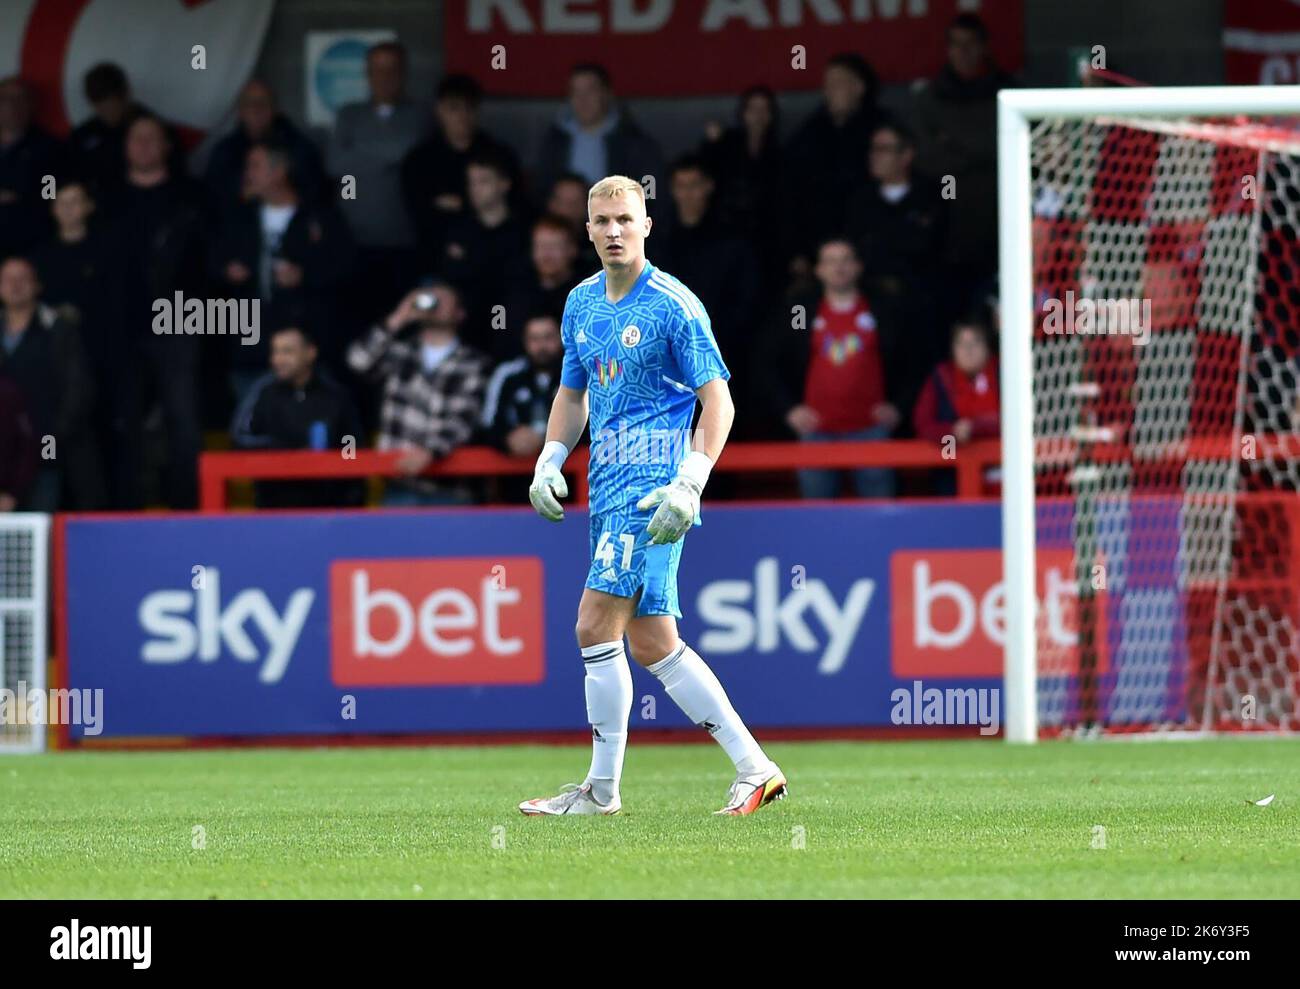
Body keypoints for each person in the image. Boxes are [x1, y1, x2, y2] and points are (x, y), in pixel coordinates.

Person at [519, 175, 786, 817]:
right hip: (604, 487)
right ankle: (756, 769)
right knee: (651, 640)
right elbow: (572, 394)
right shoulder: (580, 304)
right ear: (587, 228)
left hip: (653, 492)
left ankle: (602, 792)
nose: (613, 231)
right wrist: (550, 458)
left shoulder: (675, 305)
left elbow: (717, 399)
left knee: (591, 623)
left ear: (647, 225)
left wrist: (690, 481)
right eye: (602, 221)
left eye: (625, 220)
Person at [210, 140, 356, 402]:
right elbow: (211, 262)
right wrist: (226, 270)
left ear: (279, 172)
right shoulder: (239, 217)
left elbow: (347, 267)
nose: (248, 173)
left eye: (255, 166)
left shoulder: (319, 216)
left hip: (308, 345)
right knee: (253, 428)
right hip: (251, 345)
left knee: (313, 428)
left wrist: (305, 275)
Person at [757, 239, 901, 499]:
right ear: (819, 270)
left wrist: (899, 405)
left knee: (880, 518)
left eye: (845, 259)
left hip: (871, 430)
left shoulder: (883, 309)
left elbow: (914, 360)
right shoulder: (800, 311)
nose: (839, 267)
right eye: (831, 261)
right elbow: (767, 363)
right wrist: (789, 409)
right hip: (816, 432)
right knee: (816, 521)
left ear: (858, 267)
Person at [346, 281, 489, 506]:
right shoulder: (400, 352)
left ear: (459, 314)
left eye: (443, 298)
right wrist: (400, 316)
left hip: (450, 487)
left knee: (457, 543)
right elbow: (358, 361)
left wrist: (430, 452)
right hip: (400, 483)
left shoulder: (473, 362)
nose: (435, 302)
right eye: (430, 297)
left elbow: (466, 418)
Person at [327, 41, 426, 322]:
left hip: (405, 240)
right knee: (355, 321)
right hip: (354, 240)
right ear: (367, 74)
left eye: (392, 69)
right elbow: (335, 163)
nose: (385, 77)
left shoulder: (421, 116)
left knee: (403, 320)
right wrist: (392, 155)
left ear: (404, 73)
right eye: (377, 70)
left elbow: (411, 153)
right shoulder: (349, 114)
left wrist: (360, 151)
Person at [0, 256, 102, 510]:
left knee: (42, 515)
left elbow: (78, 389)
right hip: (5, 452)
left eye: (23, 279)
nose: (15, 285)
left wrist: (54, 436)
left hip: (47, 442)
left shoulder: (57, 329)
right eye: (8, 279)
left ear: (37, 286)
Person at [230, 324, 365, 508]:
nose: (278, 359)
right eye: (275, 352)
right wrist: (288, 452)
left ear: (310, 353)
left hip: (328, 510)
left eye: (287, 351)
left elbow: (352, 445)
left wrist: (334, 466)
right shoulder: (263, 392)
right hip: (274, 510)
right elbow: (241, 438)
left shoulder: (335, 396)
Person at [402, 74, 523, 263]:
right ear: (439, 110)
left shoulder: (499, 154)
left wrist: (459, 204)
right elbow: (418, 212)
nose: (462, 116)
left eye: (469, 108)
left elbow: (515, 205)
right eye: (454, 108)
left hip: (498, 255)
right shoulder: (420, 160)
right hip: (436, 259)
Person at [533, 64, 663, 210]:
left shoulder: (636, 144)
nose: (583, 99)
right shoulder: (553, 142)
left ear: (607, 94)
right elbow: (540, 192)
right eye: (576, 92)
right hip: (563, 227)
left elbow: (651, 194)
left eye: (590, 91)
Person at [203, 80, 325, 209]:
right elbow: (210, 197)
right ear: (240, 111)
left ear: (275, 109)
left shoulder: (300, 148)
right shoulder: (224, 151)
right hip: (238, 224)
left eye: (263, 102)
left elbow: (317, 194)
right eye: (249, 103)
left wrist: (278, 192)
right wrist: (243, 193)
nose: (256, 109)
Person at [913, 318, 1001, 495]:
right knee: (948, 458)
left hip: (1004, 468)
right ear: (953, 350)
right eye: (961, 344)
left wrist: (975, 428)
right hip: (953, 462)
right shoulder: (942, 377)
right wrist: (952, 432)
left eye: (975, 342)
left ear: (987, 347)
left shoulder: (1005, 372)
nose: (968, 351)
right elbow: (923, 424)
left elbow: (1017, 421)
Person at [0, 77, 63, 258]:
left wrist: (20, 197)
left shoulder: (47, 149)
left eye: (19, 99)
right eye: (5, 99)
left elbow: (50, 193)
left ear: (30, 105)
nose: (12, 106)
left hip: (29, 243)